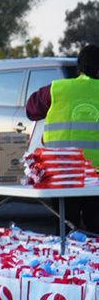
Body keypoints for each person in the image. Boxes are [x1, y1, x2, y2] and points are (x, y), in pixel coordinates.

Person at [25, 43, 99, 231]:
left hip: (60, 174)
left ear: (79, 68)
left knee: (67, 227)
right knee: (95, 227)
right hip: (95, 177)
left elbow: (31, 109)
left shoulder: (56, 89)